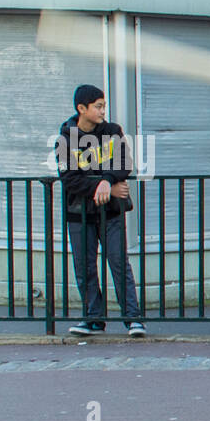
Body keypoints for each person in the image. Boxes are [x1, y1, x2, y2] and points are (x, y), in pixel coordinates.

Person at [56, 84, 146, 337]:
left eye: (103, 105)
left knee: (119, 263)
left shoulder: (112, 131)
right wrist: (106, 186)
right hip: (79, 213)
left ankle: (132, 318)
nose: (102, 110)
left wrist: (107, 180)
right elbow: (68, 178)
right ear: (81, 108)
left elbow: (124, 163)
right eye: (98, 106)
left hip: (110, 212)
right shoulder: (65, 139)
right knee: (84, 267)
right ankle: (93, 319)